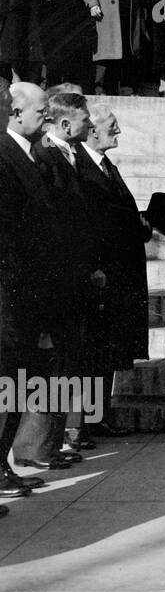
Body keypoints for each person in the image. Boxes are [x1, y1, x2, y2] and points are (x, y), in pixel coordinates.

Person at [11, 91, 104, 470]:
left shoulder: (69, 156)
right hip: (54, 278)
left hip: (71, 277)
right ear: (67, 124)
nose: (92, 127)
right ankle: (33, 447)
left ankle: (46, 445)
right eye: (86, 121)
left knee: (62, 362)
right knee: (48, 364)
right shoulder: (48, 158)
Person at [0, 83, 64, 494]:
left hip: (28, 291)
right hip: (10, 290)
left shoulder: (28, 154)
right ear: (18, 111)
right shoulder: (5, 155)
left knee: (17, 380)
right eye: (41, 109)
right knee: (8, 379)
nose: (45, 115)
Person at [77, 102, 150, 438]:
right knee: (94, 351)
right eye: (112, 126)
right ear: (92, 131)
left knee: (107, 351)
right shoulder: (82, 166)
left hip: (119, 274)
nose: (118, 131)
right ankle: (86, 420)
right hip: (101, 275)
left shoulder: (107, 166)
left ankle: (98, 416)